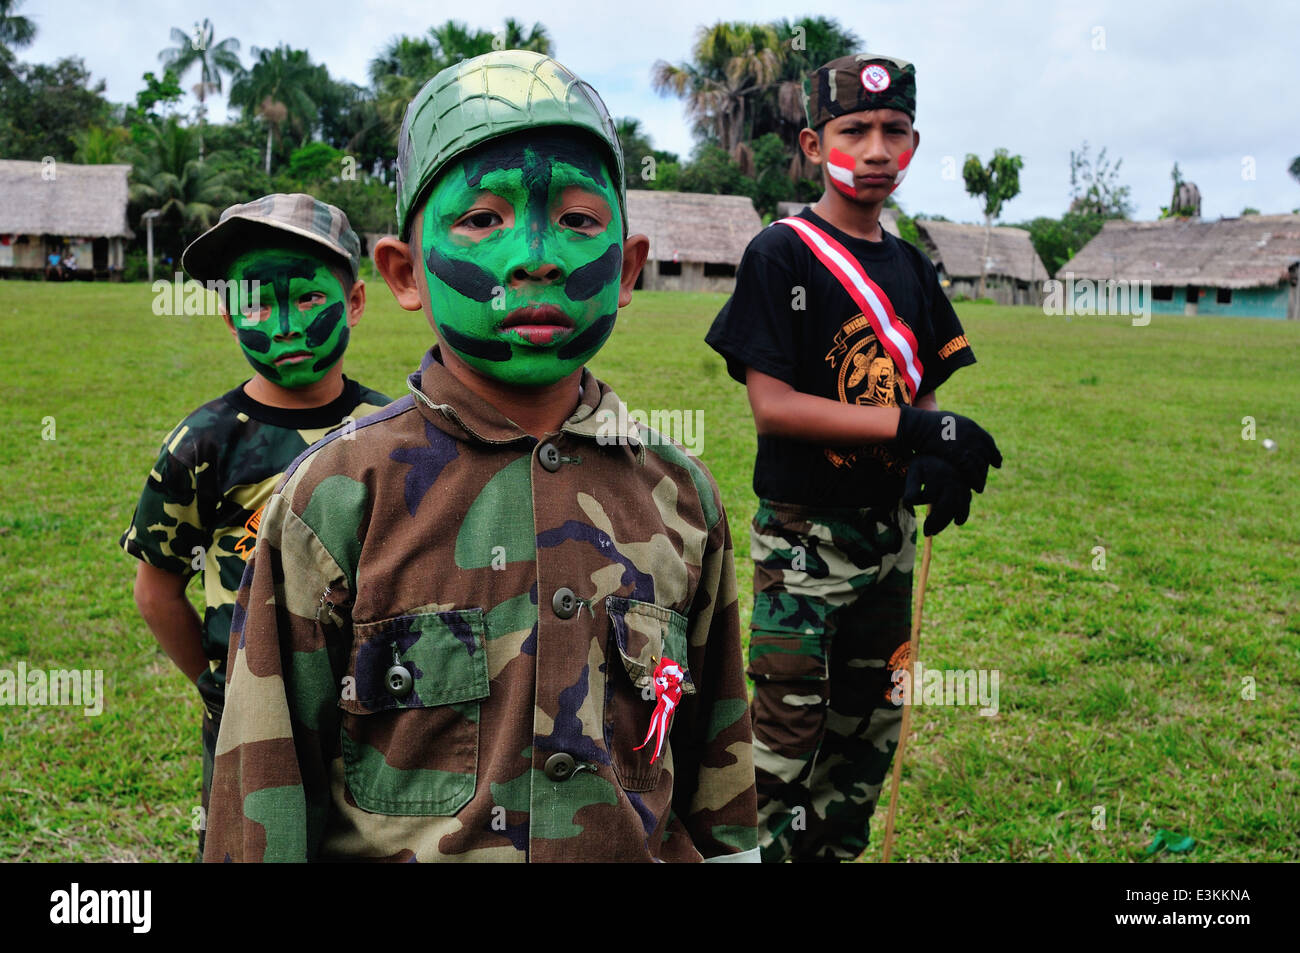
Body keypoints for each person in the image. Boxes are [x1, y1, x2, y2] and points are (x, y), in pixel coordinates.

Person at [203, 51, 759, 863]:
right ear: (404, 272)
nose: (536, 254)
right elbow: (266, 791)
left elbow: (719, 771)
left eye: (577, 220)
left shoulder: (681, 496)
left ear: (628, 269)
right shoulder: (334, 497)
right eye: (481, 219)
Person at [705, 53, 1002, 862]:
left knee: (868, 729)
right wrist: (912, 431)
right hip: (805, 543)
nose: (876, 149)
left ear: (914, 143)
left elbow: (925, 384)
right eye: (854, 130)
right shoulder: (782, 254)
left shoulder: (910, 265)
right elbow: (774, 406)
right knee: (785, 734)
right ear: (812, 144)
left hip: (888, 541)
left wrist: (934, 450)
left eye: (894, 131)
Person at [120, 194, 391, 859]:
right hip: (248, 718)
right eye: (257, 303)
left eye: (306, 297)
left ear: (355, 302)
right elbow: (156, 590)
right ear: (228, 314)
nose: (285, 325)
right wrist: (222, 687)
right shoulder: (203, 444)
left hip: (379, 714)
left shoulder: (392, 435)